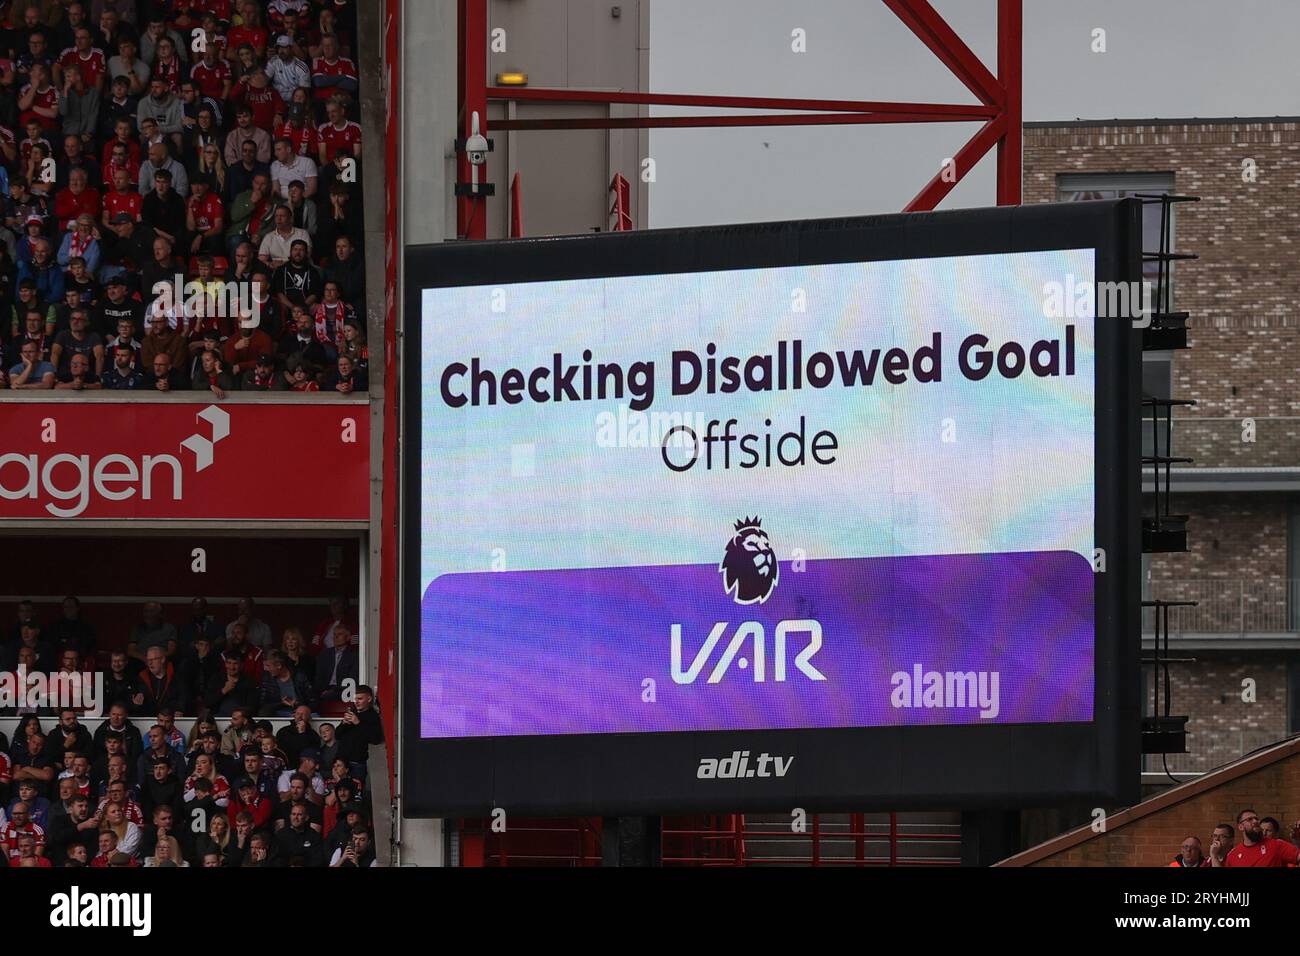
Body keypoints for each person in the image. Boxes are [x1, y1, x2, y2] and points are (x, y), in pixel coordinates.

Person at [1215, 808, 1300, 867]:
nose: (1255, 821)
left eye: (1256, 818)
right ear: (1241, 827)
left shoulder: (1276, 845)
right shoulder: (1232, 855)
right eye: (1249, 819)